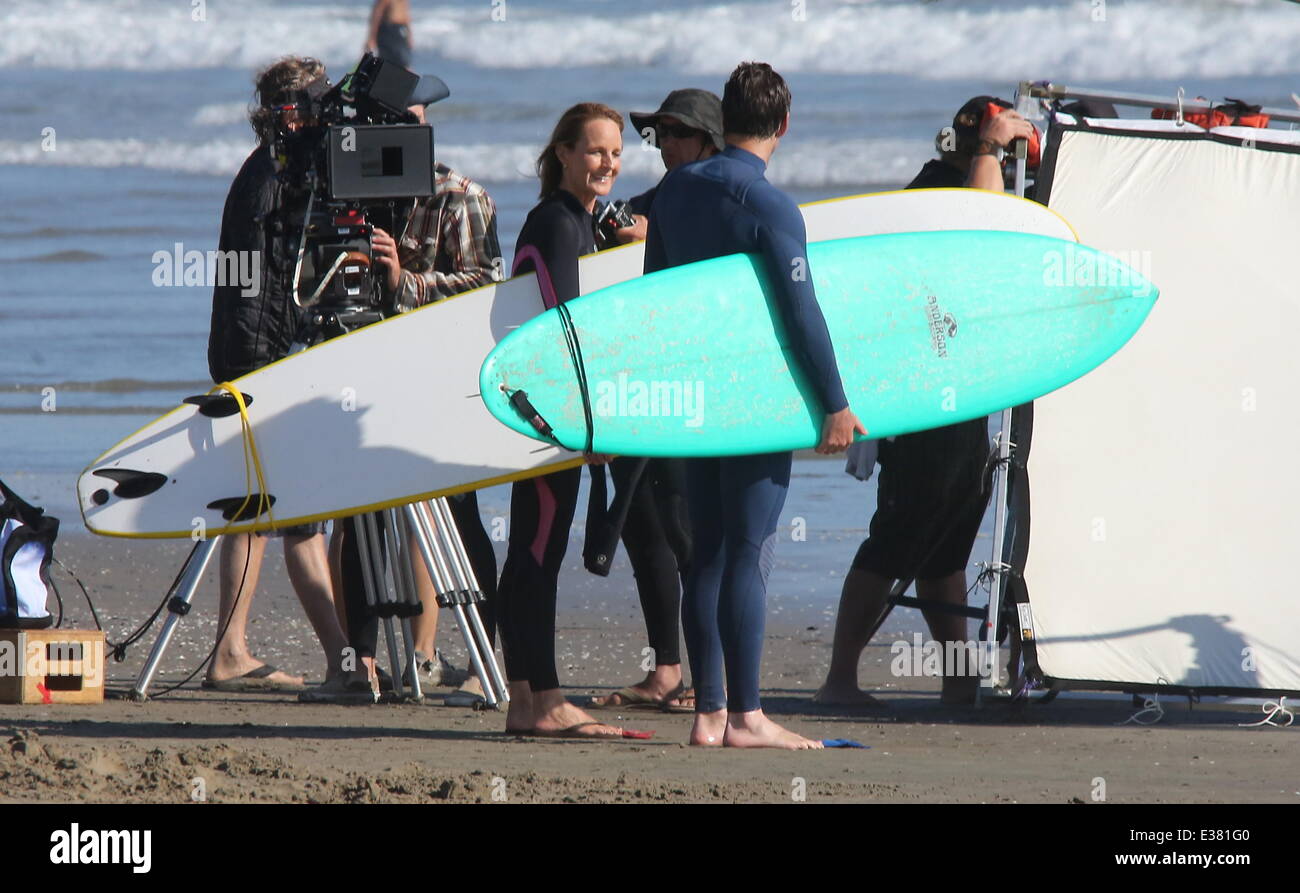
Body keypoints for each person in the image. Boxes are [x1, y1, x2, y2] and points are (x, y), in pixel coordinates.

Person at [645, 62, 865, 749]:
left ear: (723, 118)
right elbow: (802, 311)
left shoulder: (672, 192)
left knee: (705, 551)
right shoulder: (769, 205)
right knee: (748, 548)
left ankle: (708, 714)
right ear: (784, 125)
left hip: (691, 399)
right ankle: (745, 715)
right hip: (752, 399)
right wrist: (835, 404)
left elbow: (654, 296)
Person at [813, 96, 1036, 709]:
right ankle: (839, 680)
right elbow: (979, 225)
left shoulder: (966, 185)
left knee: (948, 548)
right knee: (896, 537)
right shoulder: (939, 192)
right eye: (999, 149)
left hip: (962, 396)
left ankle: (959, 683)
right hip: (923, 398)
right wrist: (989, 151)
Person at [324, 96, 505, 701]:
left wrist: (407, 281)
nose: (398, 132)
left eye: (410, 119)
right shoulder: (343, 195)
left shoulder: (461, 196)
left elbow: (488, 285)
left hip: (443, 382)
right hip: (364, 376)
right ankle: (361, 666)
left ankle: (483, 663)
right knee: (359, 513)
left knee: (458, 515)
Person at [204, 56, 354, 693]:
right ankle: (342, 660)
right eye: (318, 105)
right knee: (291, 515)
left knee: (261, 513)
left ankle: (235, 650)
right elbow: (258, 288)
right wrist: (266, 370)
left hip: (255, 355)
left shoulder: (272, 171)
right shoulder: (271, 176)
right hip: (258, 359)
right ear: (292, 113)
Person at [496, 102, 645, 739]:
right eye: (594, 151)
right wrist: (589, 424)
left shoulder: (577, 223)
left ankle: (528, 701)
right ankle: (542, 700)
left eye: (615, 152)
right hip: (551, 415)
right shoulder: (557, 224)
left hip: (548, 410)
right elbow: (565, 332)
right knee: (536, 553)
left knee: (536, 551)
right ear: (563, 154)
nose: (607, 162)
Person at [587, 89, 725, 712]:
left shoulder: (725, 198)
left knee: (687, 527)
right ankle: (666, 668)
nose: (664, 144)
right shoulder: (650, 201)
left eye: (676, 133)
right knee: (641, 520)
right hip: (641, 383)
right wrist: (620, 235)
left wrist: (657, 241)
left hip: (697, 390)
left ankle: (711, 673)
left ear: (708, 140)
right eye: (660, 134)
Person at [365, 0, 413, 69]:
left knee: (404, 62)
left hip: (401, 31)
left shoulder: (404, 2)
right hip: (389, 31)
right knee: (391, 62)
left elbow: (406, 16)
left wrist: (409, 35)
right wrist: (371, 38)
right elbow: (376, 16)